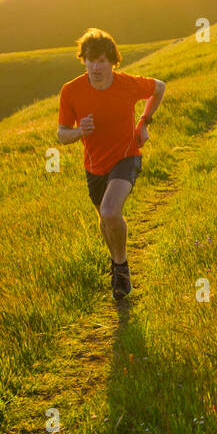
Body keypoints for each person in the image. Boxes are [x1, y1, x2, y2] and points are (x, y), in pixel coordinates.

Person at [57, 28, 165, 300]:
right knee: (106, 220)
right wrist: (80, 131)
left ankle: (121, 267)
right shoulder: (71, 91)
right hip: (94, 166)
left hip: (127, 157)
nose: (96, 67)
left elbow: (159, 87)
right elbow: (61, 134)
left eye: (102, 60)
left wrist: (144, 121)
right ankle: (117, 261)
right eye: (90, 60)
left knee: (109, 210)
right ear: (83, 61)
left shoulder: (127, 84)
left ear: (113, 62)